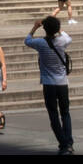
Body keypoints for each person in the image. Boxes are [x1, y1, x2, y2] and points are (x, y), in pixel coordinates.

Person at [24, 16, 73, 154]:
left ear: (44, 29)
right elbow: (66, 36)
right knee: (65, 113)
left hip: (48, 83)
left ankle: (63, 144)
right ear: (57, 28)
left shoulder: (40, 43)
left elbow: (27, 40)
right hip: (62, 83)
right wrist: (58, 28)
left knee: (53, 114)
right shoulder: (63, 41)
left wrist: (34, 27)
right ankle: (68, 142)